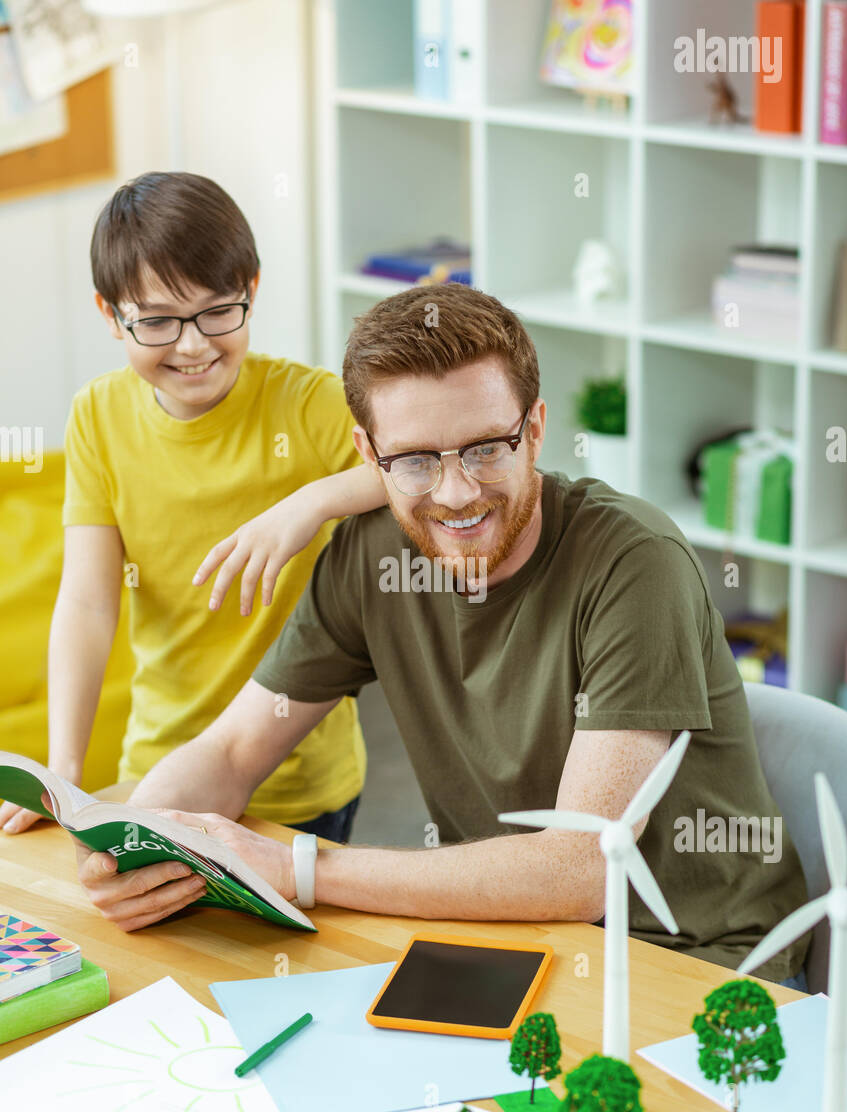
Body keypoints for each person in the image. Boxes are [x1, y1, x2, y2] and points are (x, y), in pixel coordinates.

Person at [69, 283, 809, 984]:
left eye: (487, 447)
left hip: (697, 962)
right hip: (512, 938)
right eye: (417, 460)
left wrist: (298, 868)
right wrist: (135, 839)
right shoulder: (369, 555)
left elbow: (582, 869)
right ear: (369, 456)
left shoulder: (634, 564)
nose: (457, 493)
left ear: (537, 430)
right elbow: (231, 751)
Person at [0, 172, 386, 886]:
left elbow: (405, 467)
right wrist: (64, 768)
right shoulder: (98, 417)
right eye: (157, 321)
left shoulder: (307, 403)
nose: (192, 346)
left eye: (218, 313)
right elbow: (87, 602)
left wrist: (309, 504)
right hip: (161, 768)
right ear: (111, 315)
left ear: (252, 289)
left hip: (299, 783)